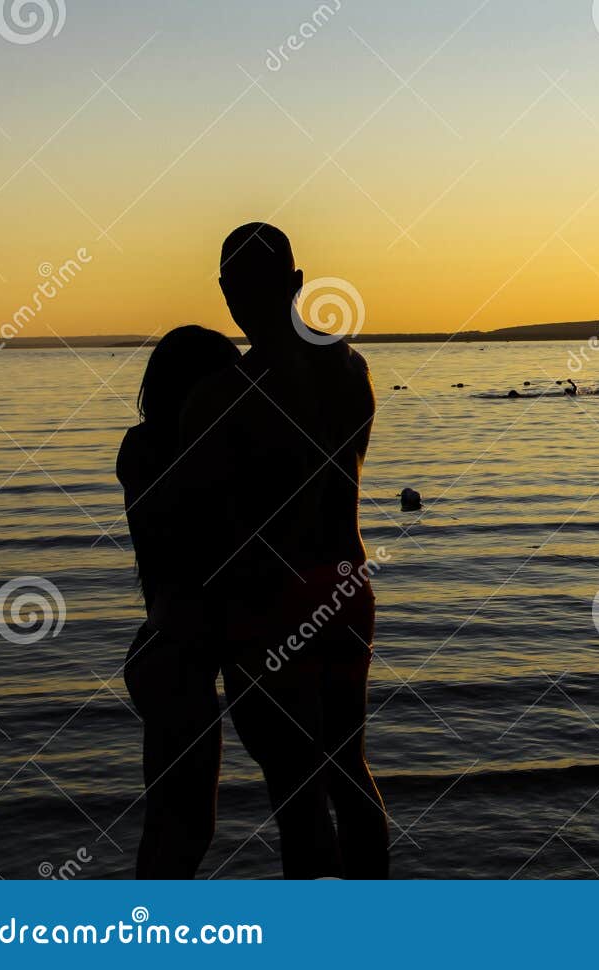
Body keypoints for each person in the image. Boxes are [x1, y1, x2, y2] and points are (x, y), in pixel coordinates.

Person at [182, 223, 388, 878]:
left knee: (295, 791)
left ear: (224, 292)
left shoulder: (225, 395)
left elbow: (208, 519)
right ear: (297, 284)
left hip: (273, 596)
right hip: (345, 585)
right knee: (348, 768)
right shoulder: (350, 370)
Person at [119, 325, 241, 878]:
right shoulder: (170, 457)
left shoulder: (143, 449)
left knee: (168, 823)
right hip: (175, 663)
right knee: (189, 828)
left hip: (160, 654)